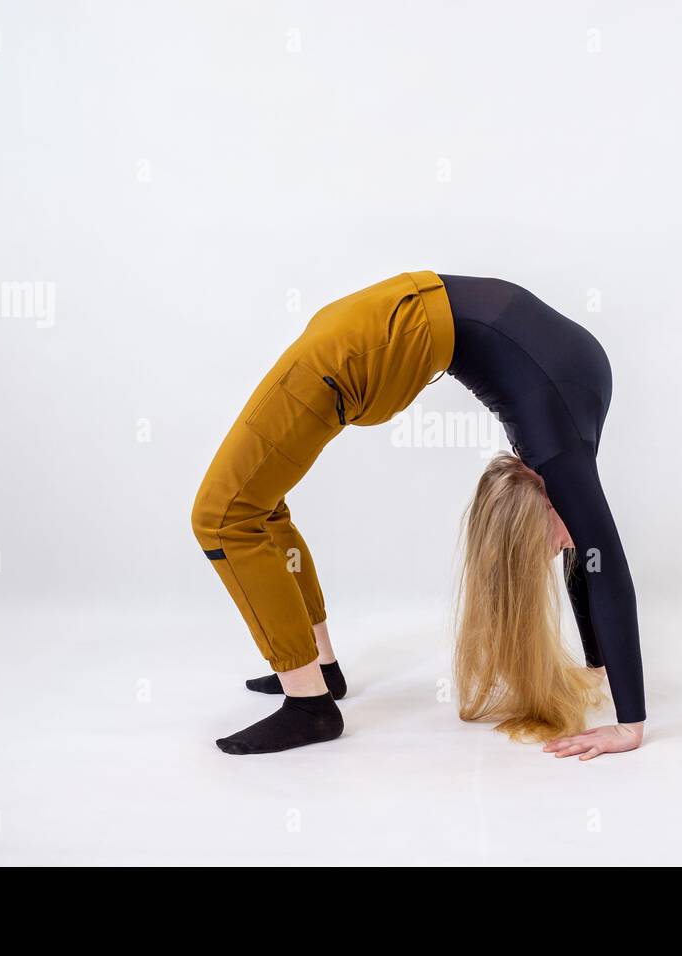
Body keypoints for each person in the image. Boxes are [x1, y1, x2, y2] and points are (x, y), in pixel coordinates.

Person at [191, 271, 645, 759]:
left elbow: (590, 554)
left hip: (387, 315)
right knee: (225, 516)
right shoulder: (559, 456)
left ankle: (318, 673)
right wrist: (629, 725)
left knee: (259, 501)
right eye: (552, 547)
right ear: (550, 503)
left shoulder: (561, 453)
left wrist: (598, 666)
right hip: (369, 340)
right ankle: (310, 706)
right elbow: (607, 566)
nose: (562, 549)